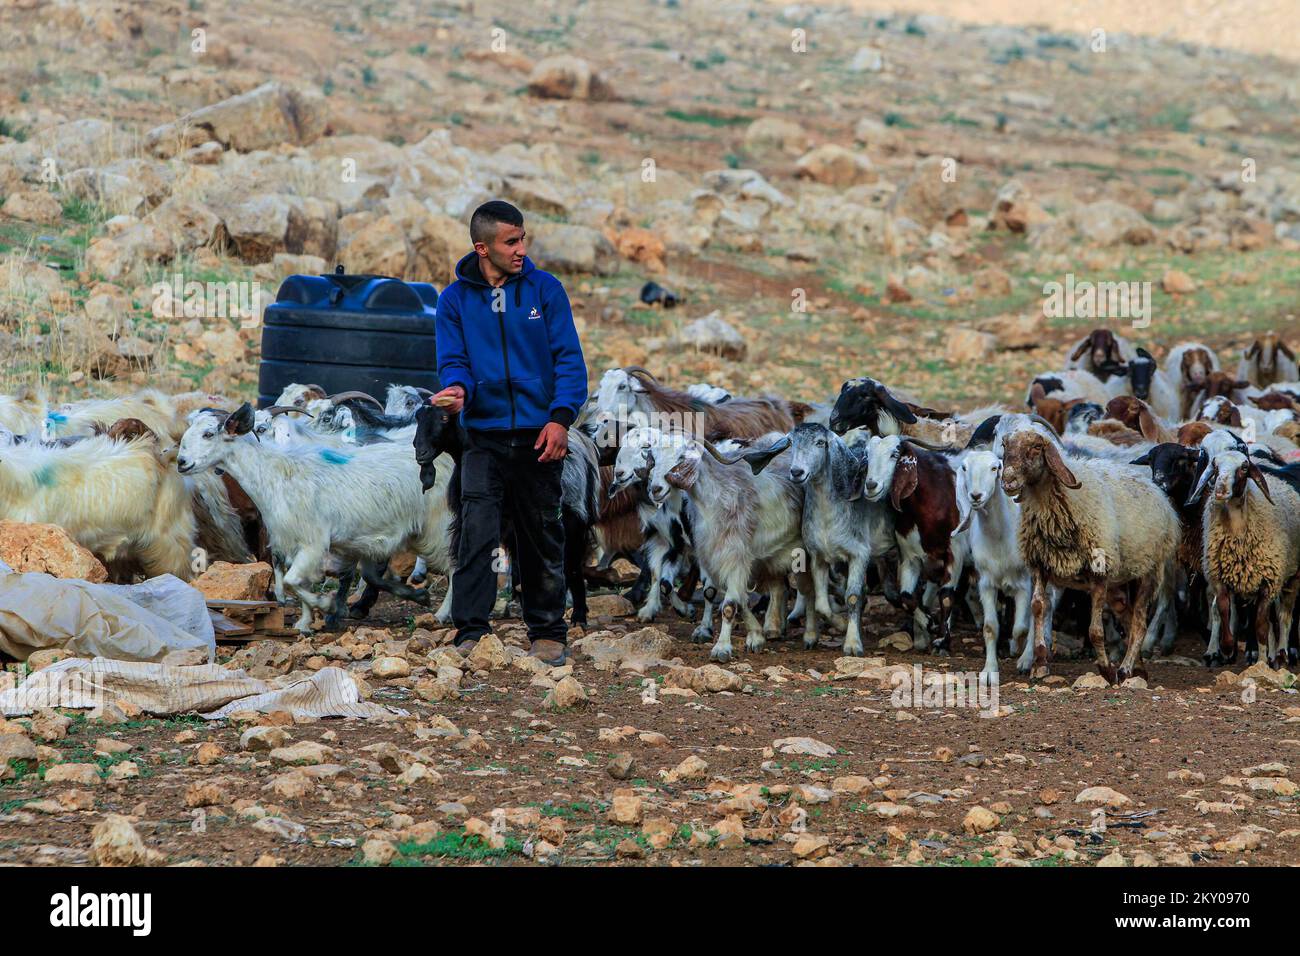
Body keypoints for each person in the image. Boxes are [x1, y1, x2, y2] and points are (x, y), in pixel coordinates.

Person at [432, 201, 588, 666]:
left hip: (541, 438)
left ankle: (547, 631)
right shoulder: (454, 301)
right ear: (483, 247)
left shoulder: (545, 290)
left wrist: (560, 419)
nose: (522, 249)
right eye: (511, 242)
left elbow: (569, 360)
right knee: (475, 534)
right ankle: (472, 632)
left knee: (542, 532)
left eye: (523, 239)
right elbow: (452, 362)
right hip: (482, 437)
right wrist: (457, 391)